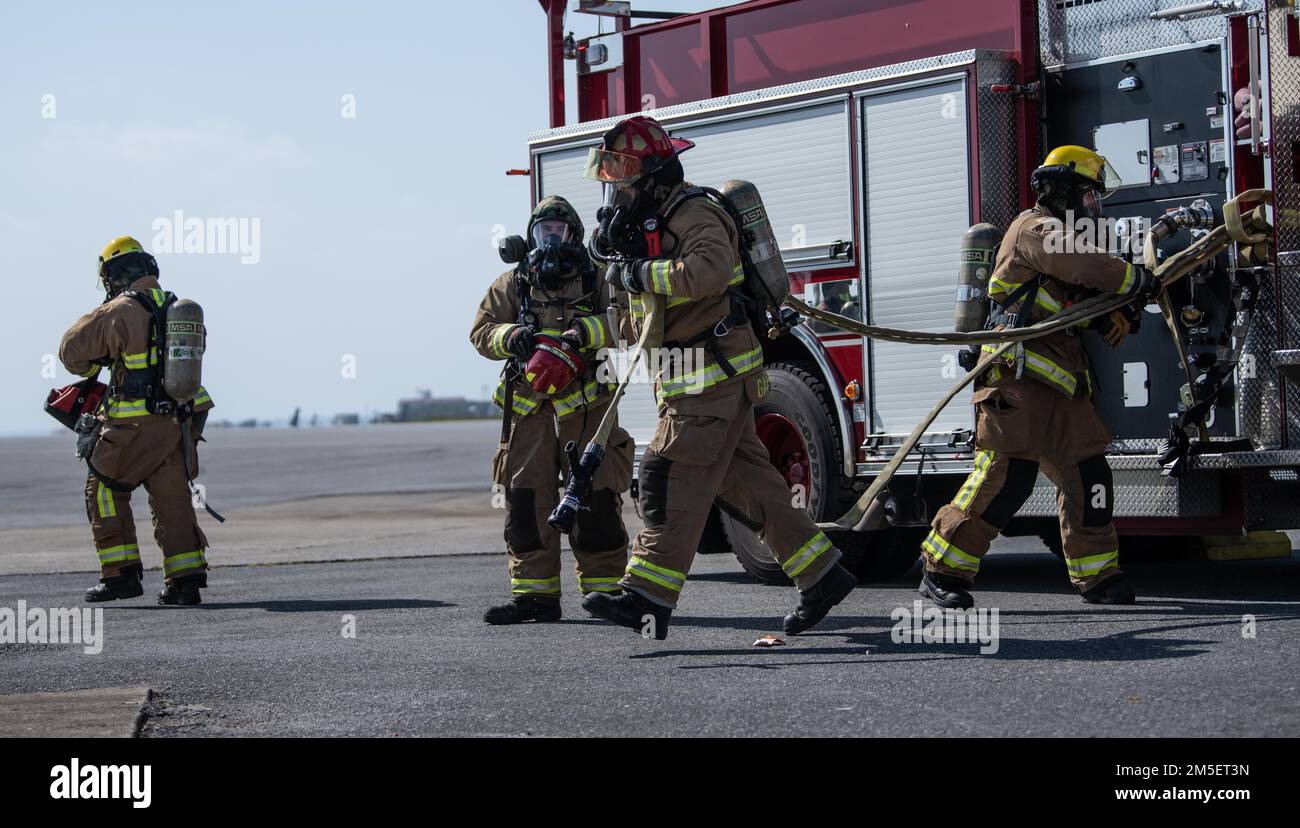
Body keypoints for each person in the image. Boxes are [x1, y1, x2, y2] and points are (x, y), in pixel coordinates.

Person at [579, 115, 857, 641]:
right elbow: (648, 319)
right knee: (749, 485)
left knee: (666, 478)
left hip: (711, 378)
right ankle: (822, 575)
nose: (617, 188)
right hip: (691, 380)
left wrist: (639, 272)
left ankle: (646, 599)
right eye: (610, 175)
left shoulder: (695, 212)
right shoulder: (652, 225)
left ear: (655, 174)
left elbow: (705, 274)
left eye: (624, 174)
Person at [918, 145, 1161, 609]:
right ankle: (942, 569)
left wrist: (1116, 312)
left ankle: (1097, 575)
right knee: (1006, 479)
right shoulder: (1035, 228)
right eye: (1087, 197)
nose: (1092, 208)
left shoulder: (1063, 239)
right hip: (1017, 381)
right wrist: (1135, 280)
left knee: (1090, 477)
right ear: (1063, 189)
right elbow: (1087, 265)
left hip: (1064, 386)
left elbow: (1071, 301)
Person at [469, 197, 634, 624]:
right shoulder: (514, 282)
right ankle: (534, 598)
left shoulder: (600, 279)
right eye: (543, 233)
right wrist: (513, 336)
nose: (551, 240)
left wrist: (586, 331)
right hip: (530, 414)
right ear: (531, 236)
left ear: (575, 236)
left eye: (558, 232)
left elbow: (632, 323)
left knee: (595, 500)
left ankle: (605, 594)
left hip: (588, 409)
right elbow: (481, 331)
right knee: (525, 502)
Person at [60, 236, 216, 606]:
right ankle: (186, 581)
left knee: (104, 488)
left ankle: (120, 576)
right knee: (172, 499)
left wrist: (105, 347)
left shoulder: (119, 311)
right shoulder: (181, 309)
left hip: (131, 427)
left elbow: (71, 353)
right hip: (179, 424)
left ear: (115, 274)